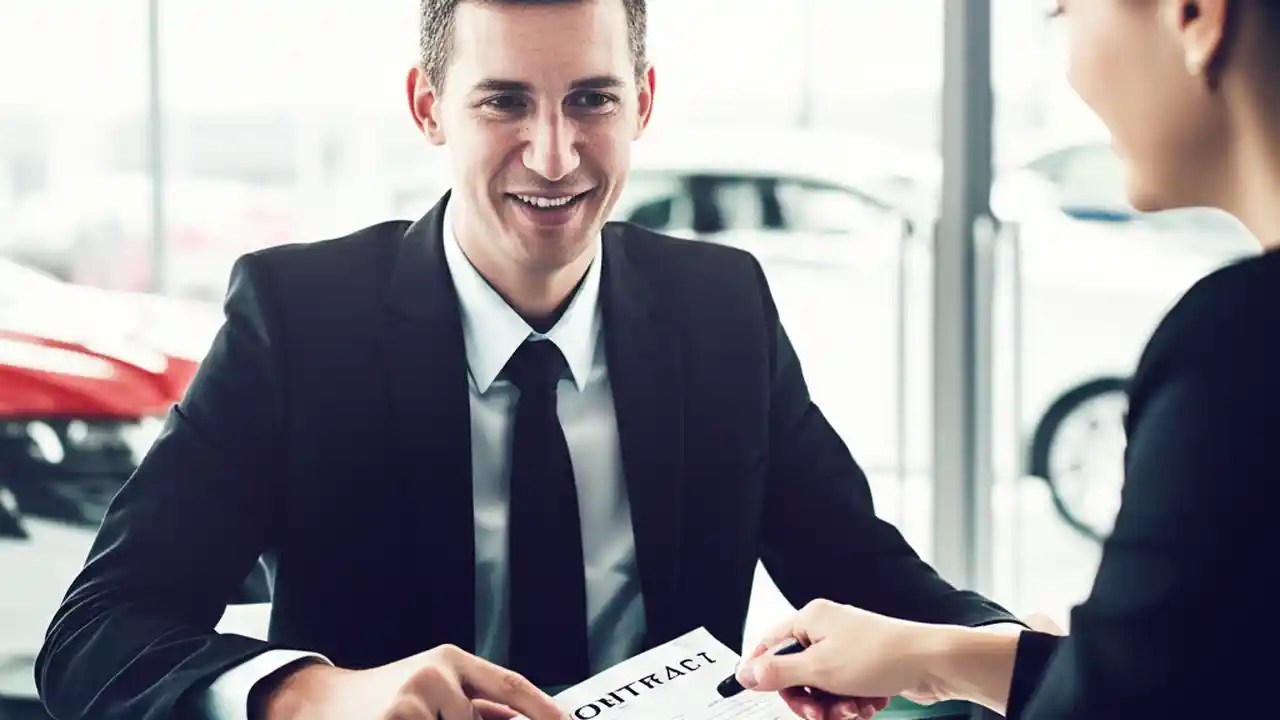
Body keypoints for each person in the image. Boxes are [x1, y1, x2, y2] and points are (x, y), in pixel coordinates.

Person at [33, 1, 1026, 719]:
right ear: (428, 106)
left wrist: (1044, 668)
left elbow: (875, 582)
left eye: (590, 100)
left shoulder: (720, 306)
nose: (553, 155)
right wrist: (322, 695)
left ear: (642, 101)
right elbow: (99, 633)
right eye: (503, 102)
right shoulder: (300, 319)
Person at [732, 0, 1280, 718]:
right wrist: (939, 657)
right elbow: (1204, 672)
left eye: (1065, 10)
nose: (1070, 67)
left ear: (1195, 15)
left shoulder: (1241, 347)